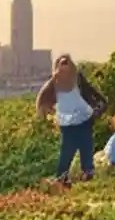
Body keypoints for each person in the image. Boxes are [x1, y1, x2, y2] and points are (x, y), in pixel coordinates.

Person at [36, 54, 107, 184]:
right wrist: (46, 117)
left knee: (86, 146)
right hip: (67, 122)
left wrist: (98, 110)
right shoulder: (54, 83)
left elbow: (92, 93)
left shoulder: (77, 79)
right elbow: (42, 99)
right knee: (67, 150)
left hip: (84, 119)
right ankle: (62, 177)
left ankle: (88, 174)